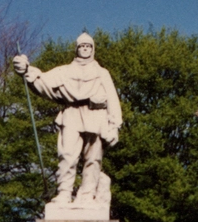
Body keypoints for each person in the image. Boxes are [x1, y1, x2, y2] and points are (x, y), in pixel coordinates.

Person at [13, 33, 122, 207]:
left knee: (93, 159)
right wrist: (26, 70)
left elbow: (112, 98)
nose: (85, 49)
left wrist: (114, 124)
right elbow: (43, 81)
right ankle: (64, 193)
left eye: (88, 46)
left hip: (96, 116)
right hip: (71, 115)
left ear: (93, 49)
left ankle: (87, 195)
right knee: (67, 155)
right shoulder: (64, 71)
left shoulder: (102, 73)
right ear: (77, 49)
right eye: (81, 46)